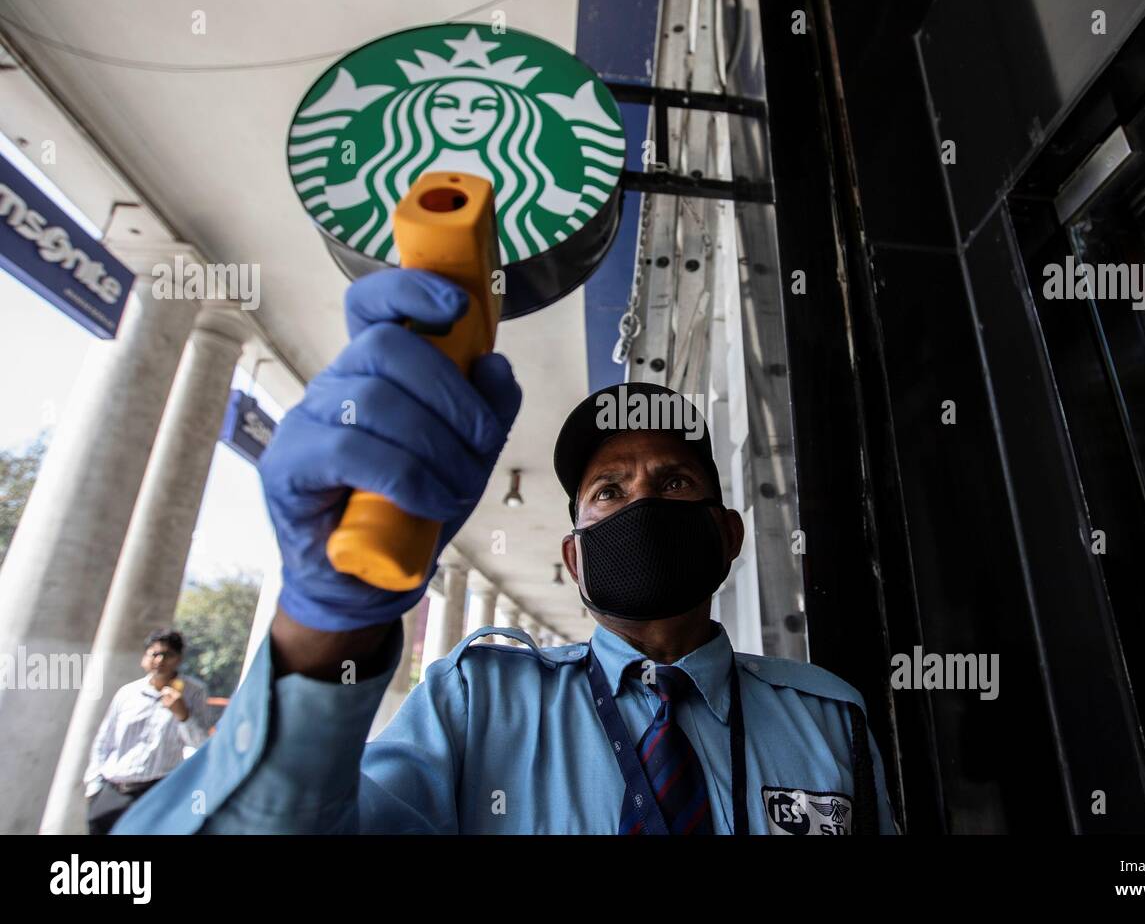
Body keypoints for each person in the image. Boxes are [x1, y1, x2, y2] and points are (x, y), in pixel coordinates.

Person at [115, 268, 896, 835]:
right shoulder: (476, 704)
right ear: (573, 556)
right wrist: (327, 625)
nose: (643, 500)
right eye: (609, 492)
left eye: (676, 479)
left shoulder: (829, 716)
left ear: (728, 536)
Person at [84, 628, 214, 834]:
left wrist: (183, 715)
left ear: (179, 659)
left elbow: (201, 744)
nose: (160, 660)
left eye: (168, 655)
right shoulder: (128, 693)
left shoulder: (194, 692)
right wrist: (95, 787)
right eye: (155, 654)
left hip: (156, 791)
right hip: (114, 788)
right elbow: (104, 741)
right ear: (144, 658)